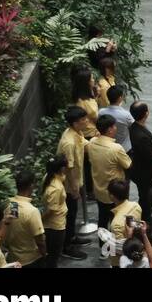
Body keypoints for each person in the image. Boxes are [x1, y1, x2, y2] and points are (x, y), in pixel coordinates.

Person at [86, 114, 133, 231]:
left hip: (98, 189)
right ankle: (114, 244)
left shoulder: (91, 142)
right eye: (114, 126)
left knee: (102, 218)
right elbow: (128, 165)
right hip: (114, 192)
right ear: (109, 129)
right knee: (116, 221)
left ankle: (103, 243)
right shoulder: (116, 148)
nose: (116, 128)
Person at [56, 106, 90, 259]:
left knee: (74, 212)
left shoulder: (77, 133)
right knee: (69, 215)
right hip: (69, 185)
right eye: (83, 120)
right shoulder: (68, 142)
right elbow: (68, 169)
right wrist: (75, 189)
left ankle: (72, 237)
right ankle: (66, 247)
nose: (87, 121)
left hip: (76, 180)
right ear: (76, 123)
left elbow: (86, 145)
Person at [128, 101, 152, 221]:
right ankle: (145, 221)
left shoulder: (135, 127)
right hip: (144, 173)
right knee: (146, 199)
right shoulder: (141, 135)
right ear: (146, 114)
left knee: (144, 196)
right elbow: (149, 155)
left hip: (140, 170)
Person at [3, 170, 48, 268]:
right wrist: (45, 255)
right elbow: (40, 241)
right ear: (31, 186)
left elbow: (14, 226)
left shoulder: (11, 205)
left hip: (15, 259)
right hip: (31, 260)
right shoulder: (32, 211)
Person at [107, 179, 142, 268]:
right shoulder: (136, 206)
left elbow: (121, 248)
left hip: (120, 262)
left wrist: (109, 245)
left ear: (112, 196)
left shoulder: (116, 224)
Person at [41, 155, 69, 268]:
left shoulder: (49, 177)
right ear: (61, 169)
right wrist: (40, 220)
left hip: (54, 224)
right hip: (55, 226)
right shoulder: (55, 188)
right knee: (53, 256)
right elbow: (51, 210)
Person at [98, 84, 136, 151]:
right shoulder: (126, 115)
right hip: (124, 148)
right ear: (120, 98)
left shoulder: (101, 112)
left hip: (106, 145)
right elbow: (134, 128)